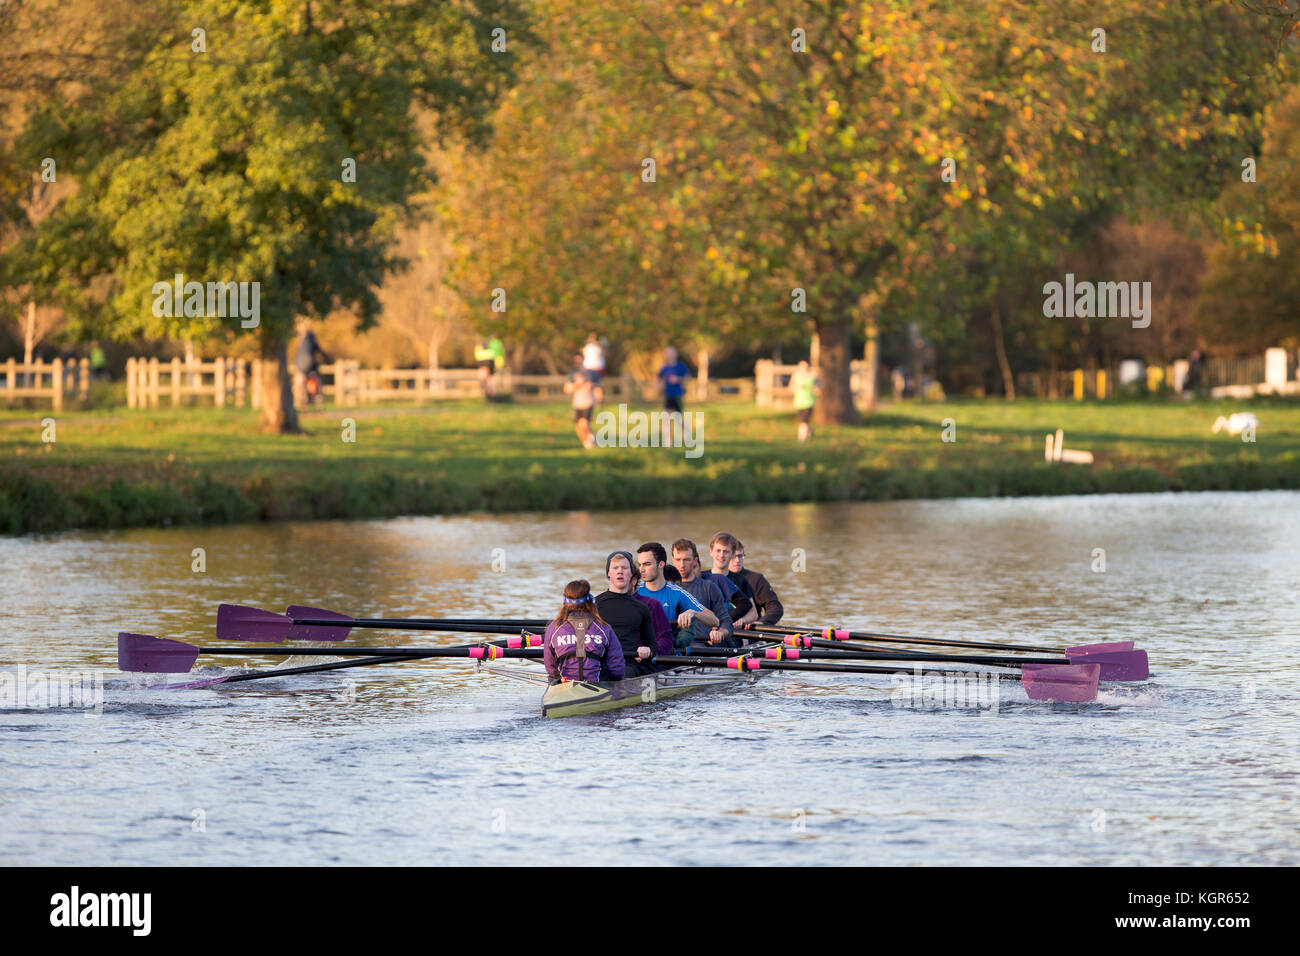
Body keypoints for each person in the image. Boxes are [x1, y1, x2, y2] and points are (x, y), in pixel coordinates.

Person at [636, 541, 719, 653]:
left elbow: (714, 620)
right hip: (637, 653)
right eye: (639, 564)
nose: (641, 569)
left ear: (661, 564)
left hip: (666, 656)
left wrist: (693, 613)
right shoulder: (633, 591)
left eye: (647, 564)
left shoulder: (677, 593)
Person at [543, 579, 624, 683]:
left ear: (565, 602)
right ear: (590, 602)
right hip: (598, 688)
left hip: (564, 688)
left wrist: (557, 679)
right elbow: (617, 670)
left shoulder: (554, 628)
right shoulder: (604, 628)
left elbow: (550, 667)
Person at [594, 551, 659, 677]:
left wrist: (647, 650)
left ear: (631, 574)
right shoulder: (593, 605)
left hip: (628, 664)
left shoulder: (641, 608)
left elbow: (653, 645)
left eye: (624, 568)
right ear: (609, 573)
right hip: (598, 663)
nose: (620, 571)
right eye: (615, 568)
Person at [670, 538, 736, 648]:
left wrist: (720, 633)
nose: (682, 564)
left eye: (686, 560)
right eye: (678, 559)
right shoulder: (666, 589)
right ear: (673, 560)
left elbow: (726, 622)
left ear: (695, 561)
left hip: (703, 646)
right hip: (674, 647)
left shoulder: (709, 587)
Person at [704, 532, 757, 629]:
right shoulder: (702, 577)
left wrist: (742, 620)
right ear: (711, 552)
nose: (721, 555)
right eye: (718, 551)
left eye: (726, 551)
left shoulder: (740, 580)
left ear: (732, 554)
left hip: (732, 631)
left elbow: (753, 614)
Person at [727, 538, 784, 626]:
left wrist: (762, 622)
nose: (737, 560)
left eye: (740, 556)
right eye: (733, 557)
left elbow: (775, 607)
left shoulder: (755, 579)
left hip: (748, 630)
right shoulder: (712, 578)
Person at [563, 354, 603, 449]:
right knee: (578, 427)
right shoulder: (573, 374)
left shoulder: (592, 373)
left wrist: (599, 400)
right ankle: (589, 443)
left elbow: (599, 388)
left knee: (583, 423)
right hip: (577, 403)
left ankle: (592, 439)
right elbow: (567, 389)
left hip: (588, 402)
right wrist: (578, 385)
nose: (578, 362)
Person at [657, 346, 691, 446]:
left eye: (671, 352)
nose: (669, 355)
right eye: (667, 353)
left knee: (678, 418)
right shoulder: (664, 367)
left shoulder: (681, 366)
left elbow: (688, 378)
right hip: (668, 395)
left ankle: (687, 433)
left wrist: (678, 379)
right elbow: (658, 379)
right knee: (666, 418)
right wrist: (658, 387)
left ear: (675, 354)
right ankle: (668, 441)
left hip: (678, 395)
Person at [294, 321, 331, 405]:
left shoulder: (301, 341)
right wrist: (328, 361)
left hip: (299, 366)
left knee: (301, 383)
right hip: (309, 364)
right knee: (317, 377)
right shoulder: (312, 340)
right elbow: (320, 351)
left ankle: (300, 401)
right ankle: (318, 397)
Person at [790, 360, 820, 442]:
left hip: (809, 401)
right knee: (802, 420)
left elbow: (819, 386)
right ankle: (810, 430)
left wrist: (816, 388)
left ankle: (802, 438)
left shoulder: (813, 375)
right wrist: (797, 387)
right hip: (799, 401)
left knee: (804, 420)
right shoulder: (796, 375)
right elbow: (791, 387)